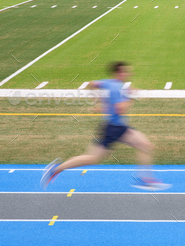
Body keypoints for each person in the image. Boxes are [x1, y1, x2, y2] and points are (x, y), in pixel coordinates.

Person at [40, 61, 170, 191]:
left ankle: (56, 169)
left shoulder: (108, 82)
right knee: (143, 146)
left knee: (94, 158)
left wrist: (98, 101)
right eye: (126, 71)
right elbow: (120, 109)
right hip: (115, 129)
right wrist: (131, 96)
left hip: (113, 127)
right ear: (118, 73)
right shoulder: (118, 88)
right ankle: (145, 179)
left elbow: (92, 84)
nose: (129, 73)